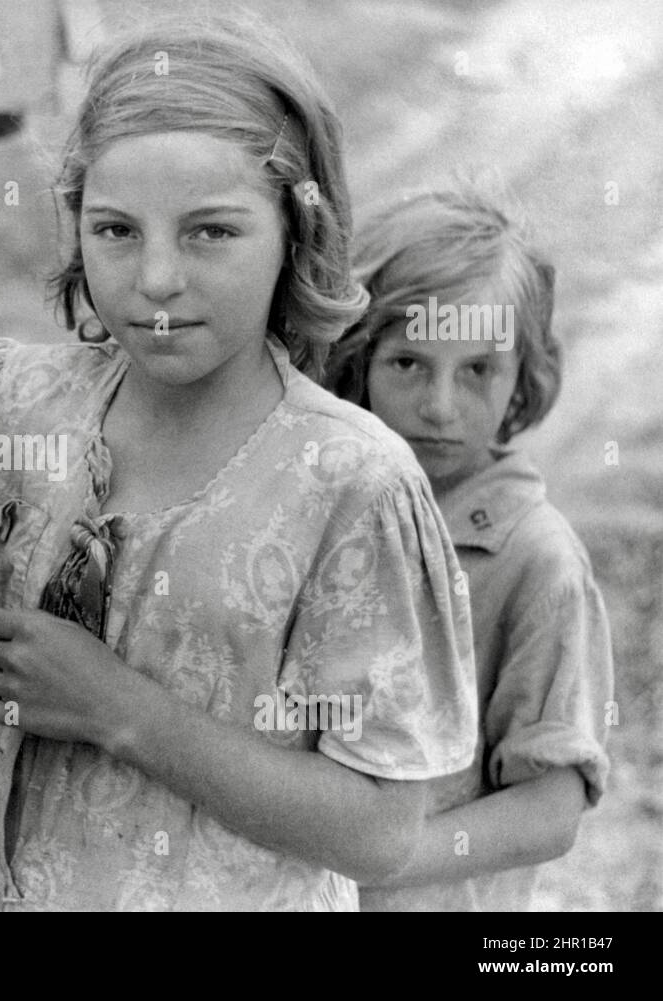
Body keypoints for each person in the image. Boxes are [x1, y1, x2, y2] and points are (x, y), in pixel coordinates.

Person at [0, 10, 478, 910]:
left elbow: (383, 832)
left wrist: (118, 709)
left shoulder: (351, 484)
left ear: (295, 231)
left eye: (211, 231)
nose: (157, 278)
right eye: (117, 230)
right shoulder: (22, 407)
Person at [325, 177, 613, 910]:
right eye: (409, 363)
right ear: (359, 359)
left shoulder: (538, 561)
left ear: (522, 379)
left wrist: (372, 859)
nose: (441, 407)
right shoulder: (319, 505)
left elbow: (550, 809)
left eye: (478, 369)